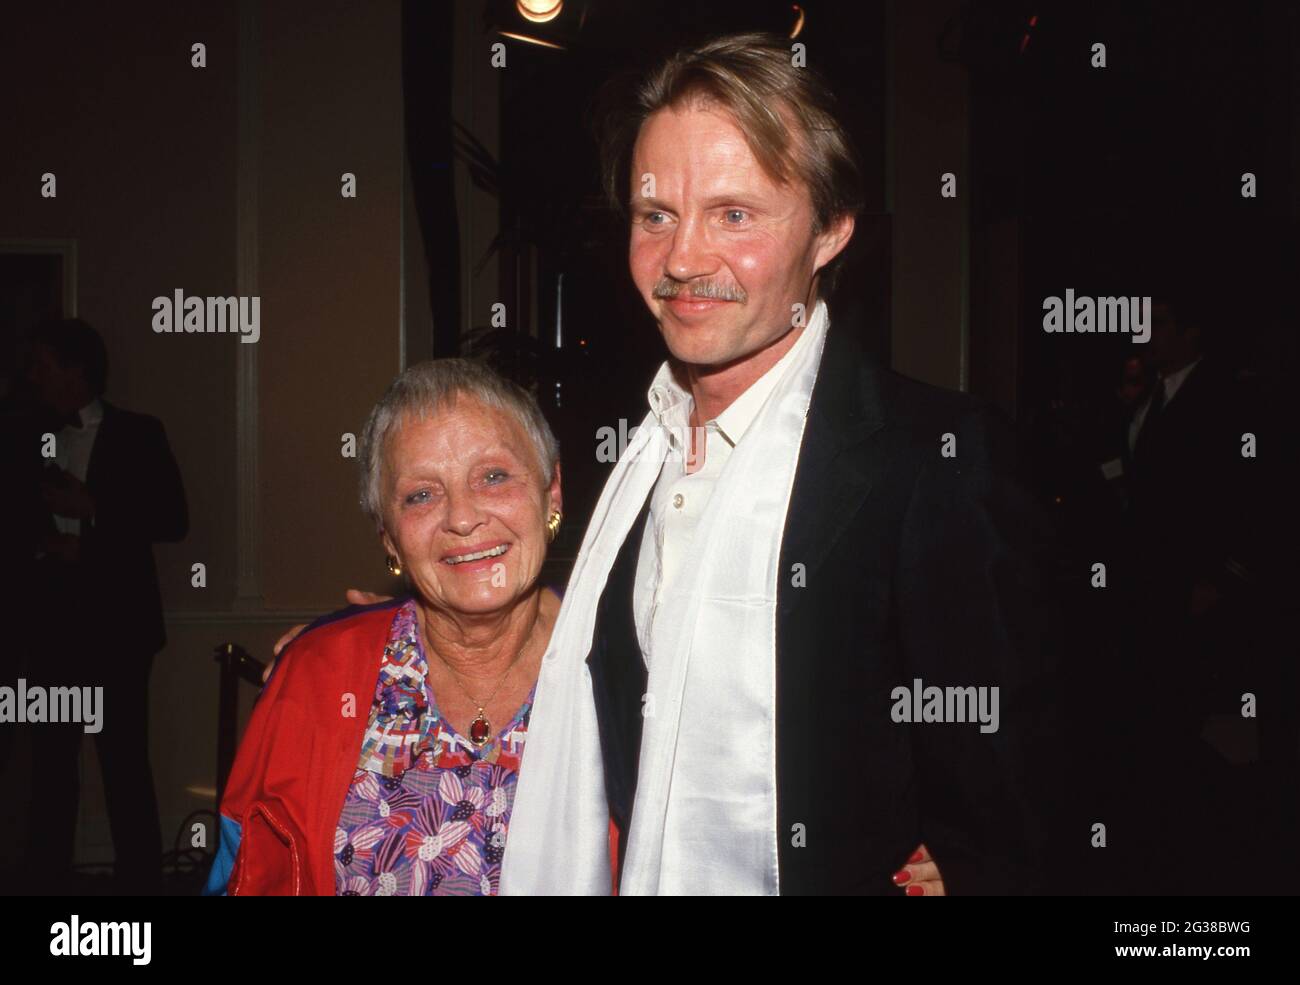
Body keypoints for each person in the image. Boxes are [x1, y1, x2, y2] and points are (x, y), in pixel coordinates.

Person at [496, 32, 1058, 895]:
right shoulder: (630, 461)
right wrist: (392, 640)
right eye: (656, 216)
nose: (682, 260)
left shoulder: (932, 460)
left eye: (734, 213)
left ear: (831, 230)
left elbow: (1013, 795)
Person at [241, 357, 946, 895]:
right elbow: (250, 869)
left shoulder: (634, 655)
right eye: (421, 494)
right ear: (390, 537)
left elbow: (764, 808)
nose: (462, 517)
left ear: (552, 493)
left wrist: (912, 851)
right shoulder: (318, 676)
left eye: (493, 477)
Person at [24, 317, 188, 892]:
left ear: (76, 371)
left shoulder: (140, 432)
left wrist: (93, 511)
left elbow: (172, 519)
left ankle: (140, 890)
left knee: (124, 765)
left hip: (117, 627)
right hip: (47, 626)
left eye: (43, 365)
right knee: (49, 768)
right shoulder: (23, 432)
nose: (32, 376)